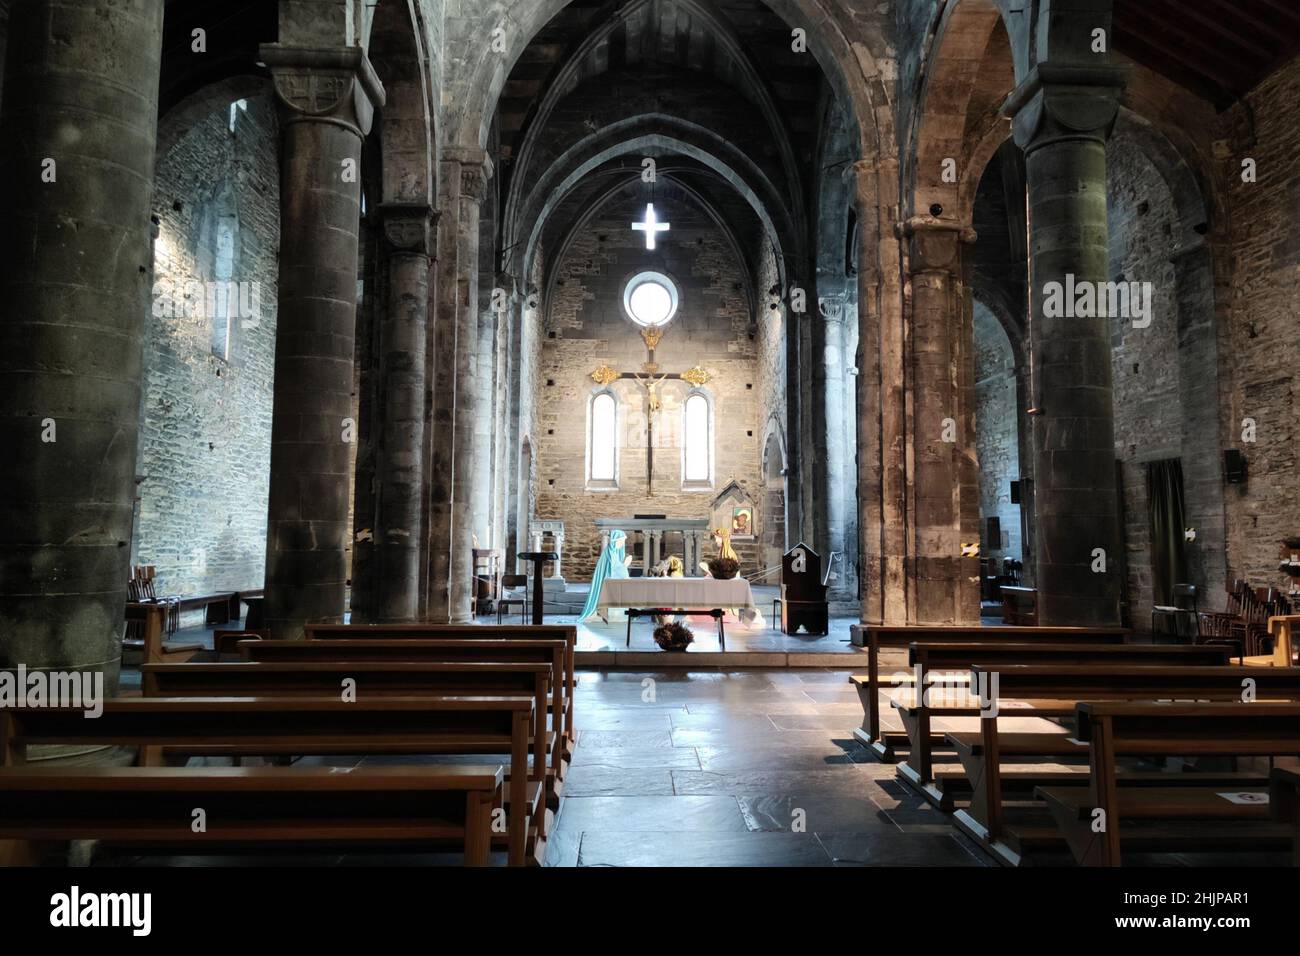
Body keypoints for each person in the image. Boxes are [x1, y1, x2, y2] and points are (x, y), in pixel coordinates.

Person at [580, 529, 631, 621]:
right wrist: (625, 564)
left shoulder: (613, 552)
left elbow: (616, 568)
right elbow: (616, 569)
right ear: (616, 540)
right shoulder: (610, 552)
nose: (622, 543)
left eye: (623, 541)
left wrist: (623, 565)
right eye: (621, 541)